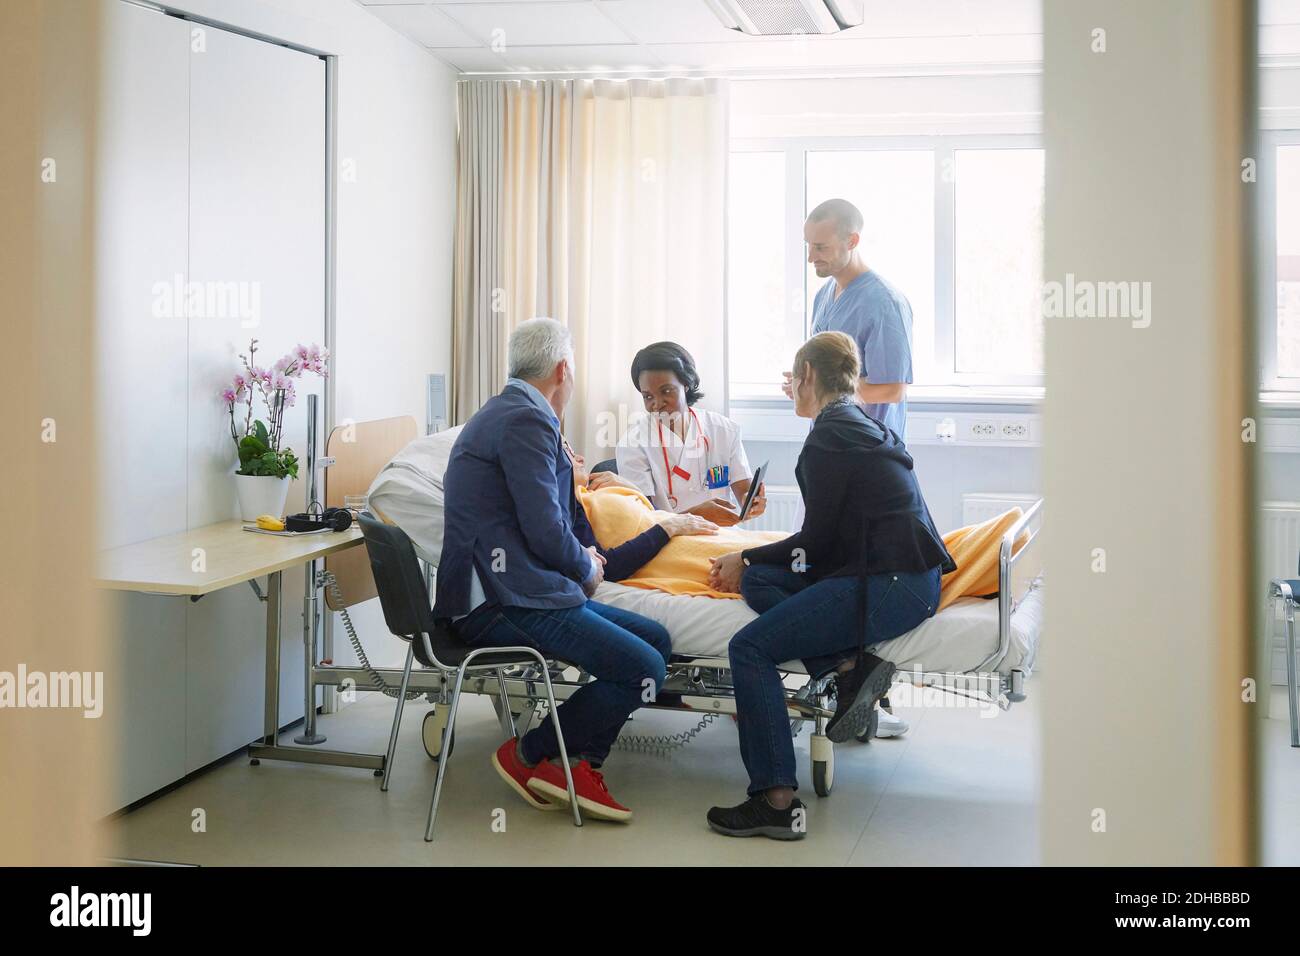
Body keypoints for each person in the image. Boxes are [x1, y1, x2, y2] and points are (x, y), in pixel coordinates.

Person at [434, 317, 709, 823]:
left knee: (656, 638)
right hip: (498, 600)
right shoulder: (525, 421)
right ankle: (527, 754)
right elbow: (544, 530)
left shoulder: (514, 415)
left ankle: (579, 765)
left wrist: (592, 554)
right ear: (563, 369)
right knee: (644, 668)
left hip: (520, 589)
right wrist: (586, 567)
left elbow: (551, 523)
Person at [705, 332, 956, 840]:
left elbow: (813, 545)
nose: (788, 388)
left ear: (810, 376)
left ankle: (774, 799)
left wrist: (744, 552)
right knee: (761, 582)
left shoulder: (826, 438)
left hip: (889, 583)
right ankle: (845, 668)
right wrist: (754, 565)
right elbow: (830, 541)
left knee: (749, 647)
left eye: (792, 378)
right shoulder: (861, 424)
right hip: (914, 576)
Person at [783, 198, 913, 438]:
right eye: (808, 246)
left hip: (869, 450)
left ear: (852, 241)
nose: (811, 257)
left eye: (821, 247)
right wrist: (806, 382)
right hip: (830, 442)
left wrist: (820, 386)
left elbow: (893, 389)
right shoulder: (823, 296)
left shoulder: (885, 304)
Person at [604, 342, 765, 527]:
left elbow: (744, 493)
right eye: (648, 397)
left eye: (666, 391)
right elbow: (643, 522)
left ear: (686, 384)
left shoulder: (724, 431)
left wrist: (753, 503)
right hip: (668, 544)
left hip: (722, 537)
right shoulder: (633, 444)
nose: (657, 404)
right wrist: (696, 515)